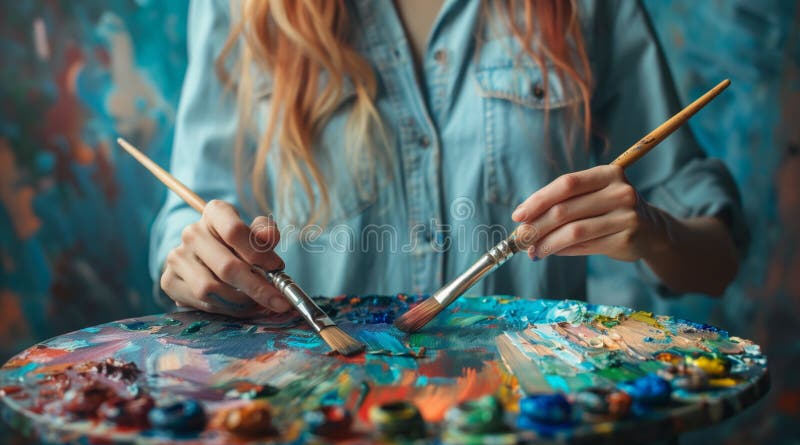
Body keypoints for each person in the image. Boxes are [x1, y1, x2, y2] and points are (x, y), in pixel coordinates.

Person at [150, 0, 748, 317]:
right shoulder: (243, 9)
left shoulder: (587, 7)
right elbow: (192, 216)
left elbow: (716, 263)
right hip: (331, 417)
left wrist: (655, 231)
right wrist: (200, 260)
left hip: (539, 417)